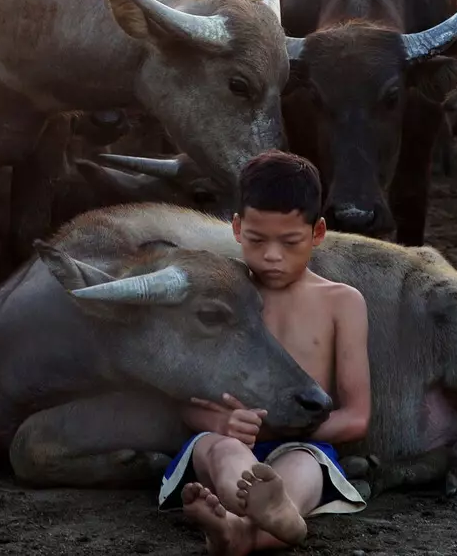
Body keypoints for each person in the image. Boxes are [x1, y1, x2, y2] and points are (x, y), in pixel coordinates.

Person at [157, 150, 371, 555]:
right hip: (227, 441)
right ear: (237, 228)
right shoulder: (219, 296)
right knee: (223, 452)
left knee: (304, 466)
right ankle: (271, 519)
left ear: (318, 232)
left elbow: (356, 417)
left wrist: (285, 430)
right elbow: (182, 402)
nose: (272, 255)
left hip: (304, 444)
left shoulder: (343, 302)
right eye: (257, 240)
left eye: (290, 242)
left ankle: (242, 530)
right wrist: (222, 422)